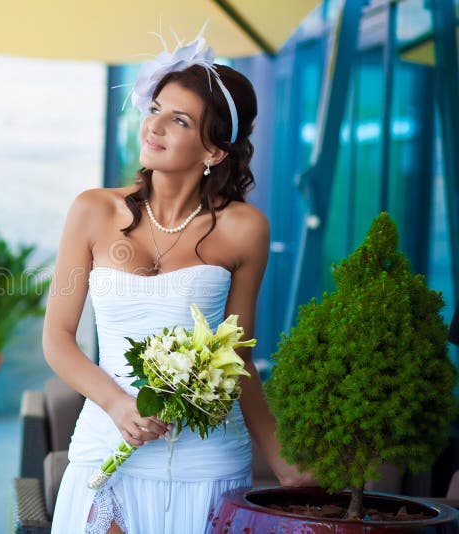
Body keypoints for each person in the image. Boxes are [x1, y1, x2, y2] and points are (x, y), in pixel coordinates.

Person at [42, 26, 315, 534]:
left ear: (214, 151)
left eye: (180, 120)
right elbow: (57, 339)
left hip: (207, 461)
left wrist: (283, 462)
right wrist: (118, 403)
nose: (155, 126)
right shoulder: (91, 210)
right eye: (154, 110)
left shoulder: (244, 229)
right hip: (107, 442)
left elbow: (238, 358)